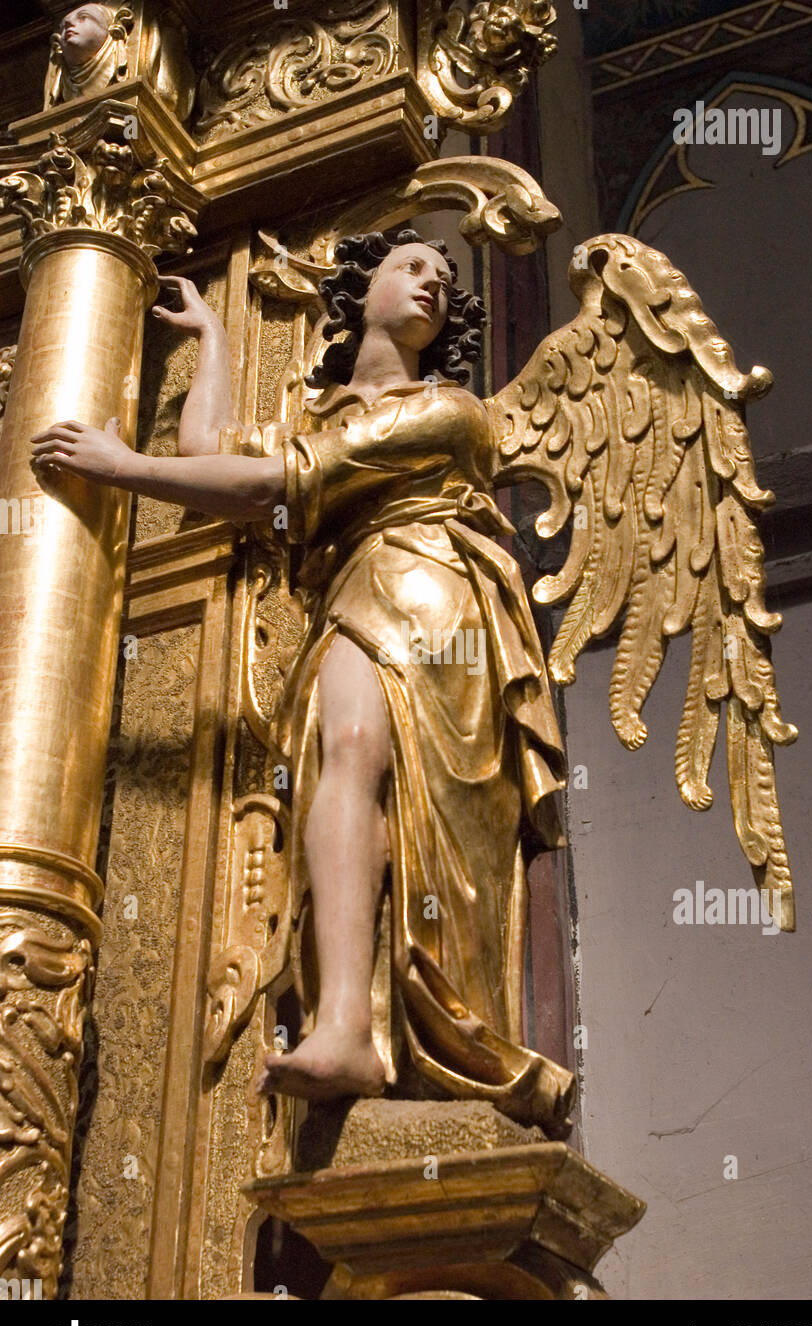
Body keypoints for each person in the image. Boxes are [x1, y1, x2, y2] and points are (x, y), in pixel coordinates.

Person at [32, 230, 576, 1134]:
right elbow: (218, 450)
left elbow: (274, 481)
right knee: (346, 764)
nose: (433, 285)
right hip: (359, 598)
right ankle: (345, 1025)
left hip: (436, 604)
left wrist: (121, 469)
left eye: (444, 279)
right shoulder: (331, 420)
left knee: (390, 794)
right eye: (413, 267)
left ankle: (390, 1035)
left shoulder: (450, 413)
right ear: (360, 292)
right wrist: (212, 337)